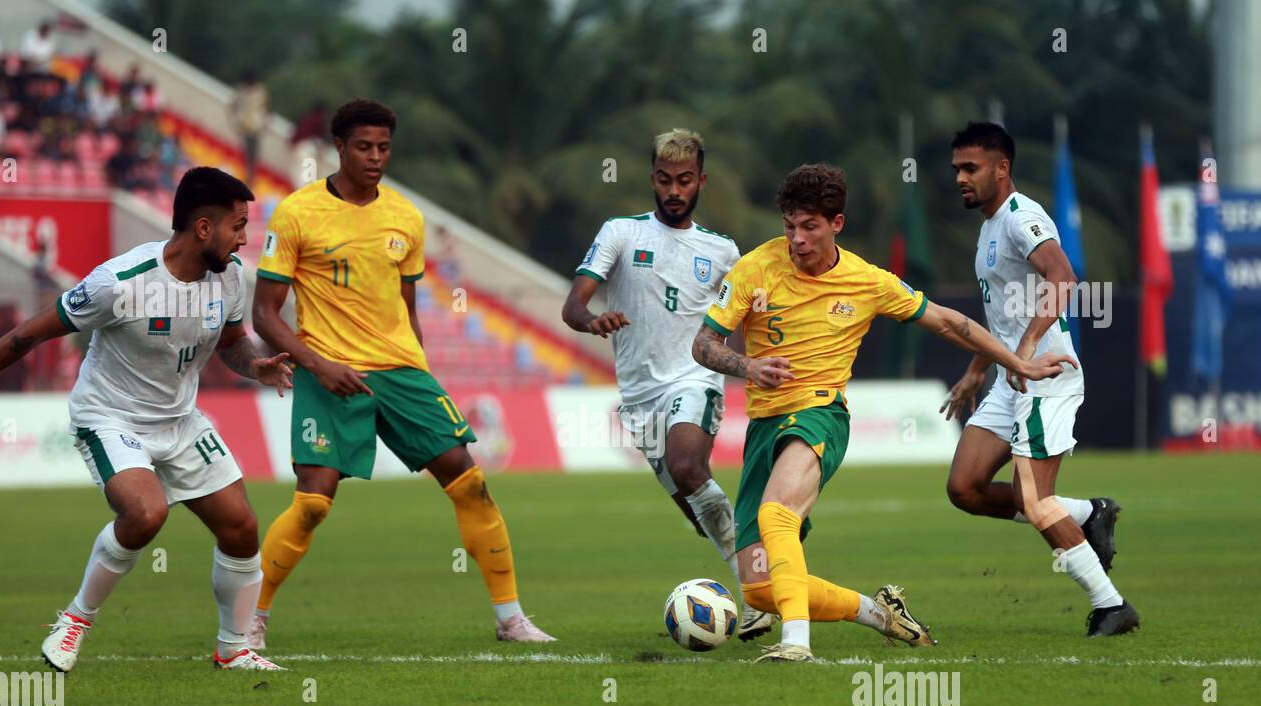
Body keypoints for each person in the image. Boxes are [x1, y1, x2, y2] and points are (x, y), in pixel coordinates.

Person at [692, 163, 1076, 662]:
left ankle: (796, 645)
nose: (797, 239)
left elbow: (951, 323)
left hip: (818, 415)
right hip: (765, 425)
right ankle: (880, 614)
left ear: (837, 224)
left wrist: (1017, 361)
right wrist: (746, 365)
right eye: (790, 226)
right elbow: (703, 345)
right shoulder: (754, 269)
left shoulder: (866, 281)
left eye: (809, 226)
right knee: (761, 591)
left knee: (776, 514)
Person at [250, 98, 556, 648]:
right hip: (329, 371)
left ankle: (511, 619)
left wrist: (421, 372)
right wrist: (317, 364)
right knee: (314, 502)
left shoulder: (405, 217)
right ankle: (254, 617)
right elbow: (264, 313)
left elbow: (407, 306)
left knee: (471, 483)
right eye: (363, 147)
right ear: (338, 147)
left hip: (401, 372)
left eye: (384, 147)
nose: (375, 157)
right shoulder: (297, 213)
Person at [0, 167, 293, 672]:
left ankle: (234, 649)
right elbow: (30, 335)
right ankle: (74, 620)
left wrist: (255, 366)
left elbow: (231, 344)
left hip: (180, 421)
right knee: (145, 514)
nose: (245, 239)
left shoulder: (226, 277)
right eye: (238, 225)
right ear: (204, 228)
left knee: (242, 528)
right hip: (110, 416)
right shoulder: (119, 282)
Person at [562, 127, 773, 640]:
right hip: (638, 398)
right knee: (696, 504)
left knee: (686, 465)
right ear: (652, 180)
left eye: (684, 181)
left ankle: (759, 594)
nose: (673, 191)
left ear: (701, 182)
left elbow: (750, 317)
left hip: (695, 377)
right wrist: (590, 319)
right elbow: (572, 305)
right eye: (663, 180)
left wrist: (758, 360)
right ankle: (762, 561)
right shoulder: (620, 233)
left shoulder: (723, 250)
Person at [942, 121, 1137, 637]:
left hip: (1047, 376)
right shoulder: (988, 227)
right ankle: (1087, 512)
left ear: (1001, 168)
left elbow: (1065, 277)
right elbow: (1002, 317)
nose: (960, 178)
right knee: (965, 488)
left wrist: (1026, 350)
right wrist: (975, 370)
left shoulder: (1021, 217)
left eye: (971, 168)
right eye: (957, 168)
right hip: (1013, 381)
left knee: (1035, 500)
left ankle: (1111, 605)